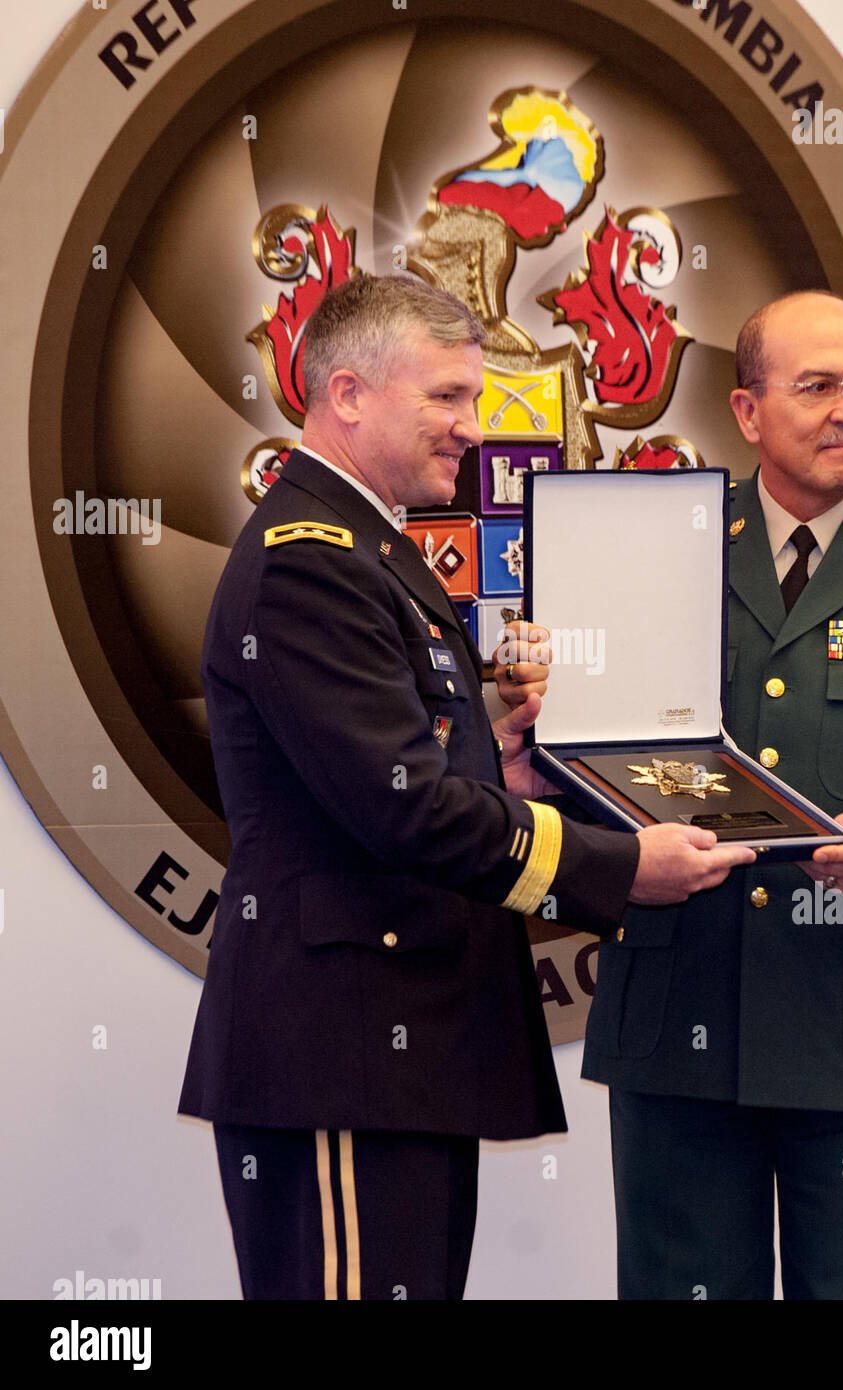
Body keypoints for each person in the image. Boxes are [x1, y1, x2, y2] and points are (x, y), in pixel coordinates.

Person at [178, 274, 750, 1301]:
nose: (472, 429)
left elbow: (402, 774)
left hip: (389, 1053)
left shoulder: (363, 548)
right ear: (346, 393)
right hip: (343, 1052)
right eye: (446, 397)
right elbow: (405, 810)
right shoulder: (314, 562)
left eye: (472, 399)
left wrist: (505, 766)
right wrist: (624, 868)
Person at [576, 289, 843, 1299]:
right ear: (746, 412)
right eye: (817, 386)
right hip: (683, 1016)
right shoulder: (655, 555)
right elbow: (598, 759)